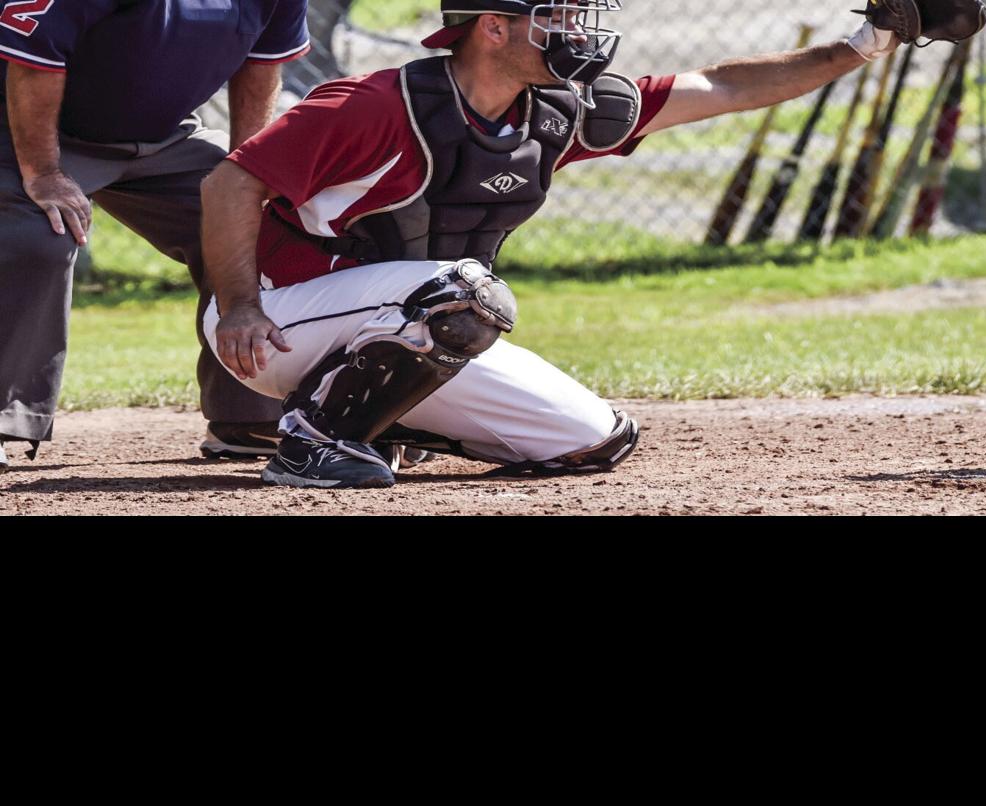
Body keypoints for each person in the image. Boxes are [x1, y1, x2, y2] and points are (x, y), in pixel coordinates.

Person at [202, 0, 911, 489]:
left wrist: (865, 43)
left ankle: (374, 418)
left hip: (400, 318)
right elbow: (230, 184)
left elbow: (721, 85)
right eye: (554, 16)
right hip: (274, 320)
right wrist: (237, 306)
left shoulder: (557, 113)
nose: (576, 29)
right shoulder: (371, 104)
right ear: (493, 28)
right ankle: (316, 439)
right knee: (464, 290)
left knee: (592, 438)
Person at [0, 0, 311, 469]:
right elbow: (34, 63)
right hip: (33, 134)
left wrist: (250, 180)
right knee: (38, 239)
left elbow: (260, 66)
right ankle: (7, 415)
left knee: (261, 230)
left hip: (167, 138)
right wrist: (43, 173)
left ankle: (250, 417)